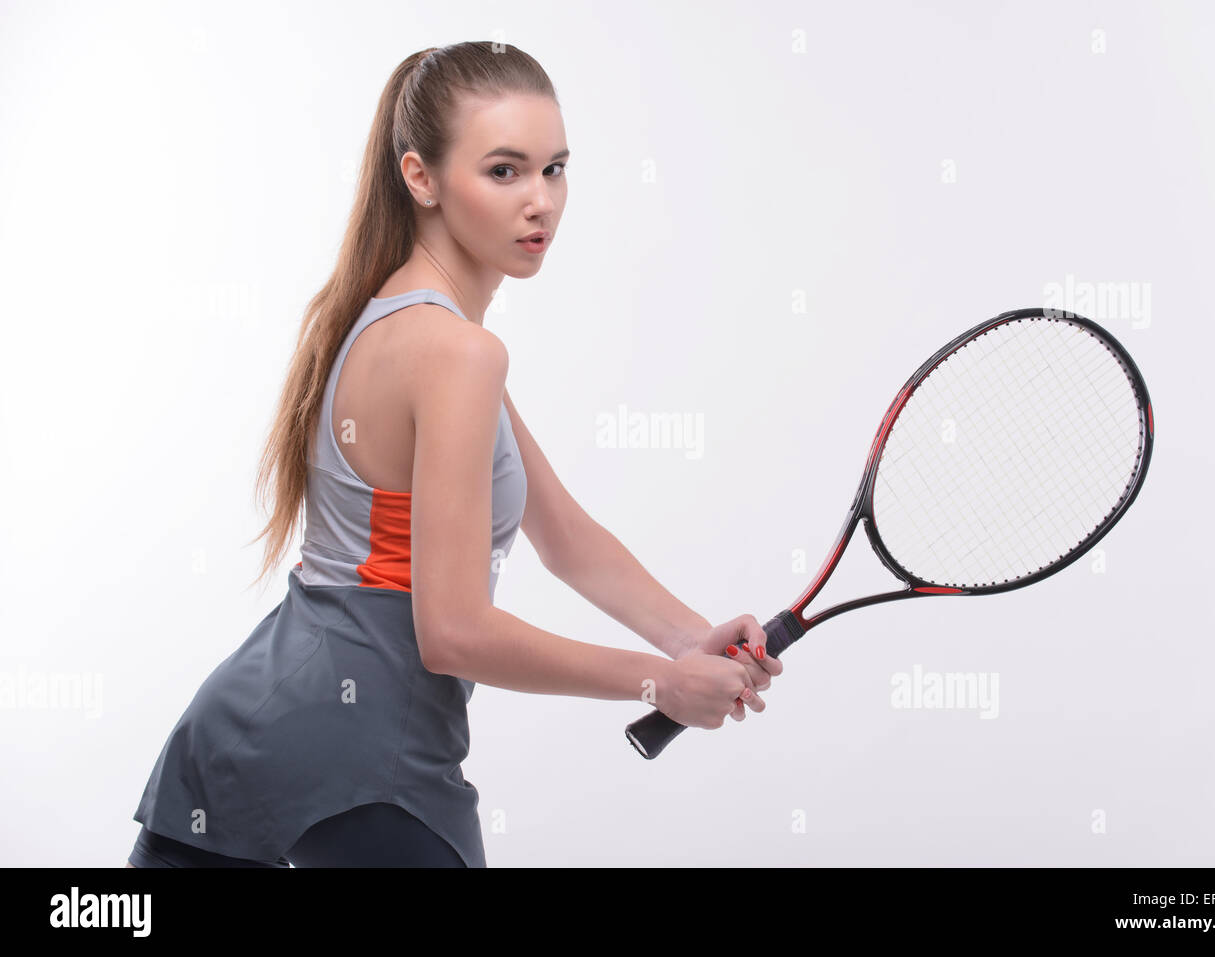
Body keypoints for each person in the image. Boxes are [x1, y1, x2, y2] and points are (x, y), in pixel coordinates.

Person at [126, 41, 782, 869]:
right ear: (421, 177)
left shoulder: (412, 324)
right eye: (505, 171)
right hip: (356, 767)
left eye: (555, 169)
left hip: (243, 741)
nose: (541, 202)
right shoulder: (456, 354)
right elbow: (454, 631)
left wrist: (690, 639)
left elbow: (563, 536)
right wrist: (660, 683)